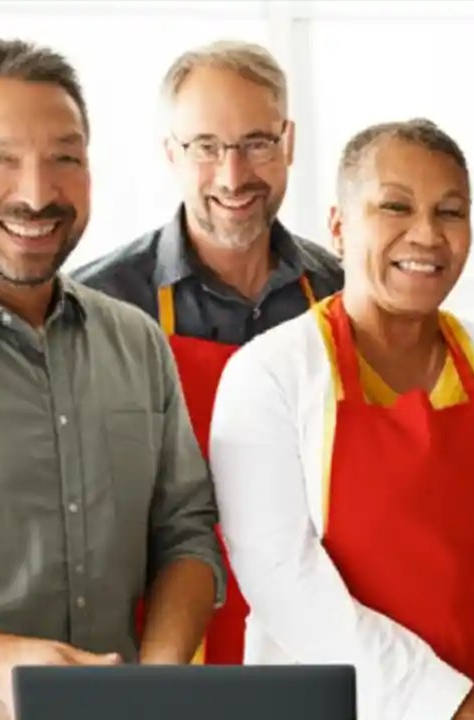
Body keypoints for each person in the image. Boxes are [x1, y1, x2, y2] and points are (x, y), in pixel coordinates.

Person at [208, 119, 474, 719]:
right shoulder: (269, 375)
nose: (427, 235)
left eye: (451, 212)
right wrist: (452, 707)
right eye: (395, 207)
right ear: (338, 226)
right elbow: (284, 579)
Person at [0, 38, 222, 717]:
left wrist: (153, 684)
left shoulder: (136, 342)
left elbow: (186, 531)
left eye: (65, 158)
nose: (37, 193)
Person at [72, 41, 342, 665]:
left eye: (256, 142)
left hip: (319, 630)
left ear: (289, 143)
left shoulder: (342, 293)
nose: (233, 174)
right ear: (171, 153)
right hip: (165, 636)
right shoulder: (98, 303)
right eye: (206, 148)